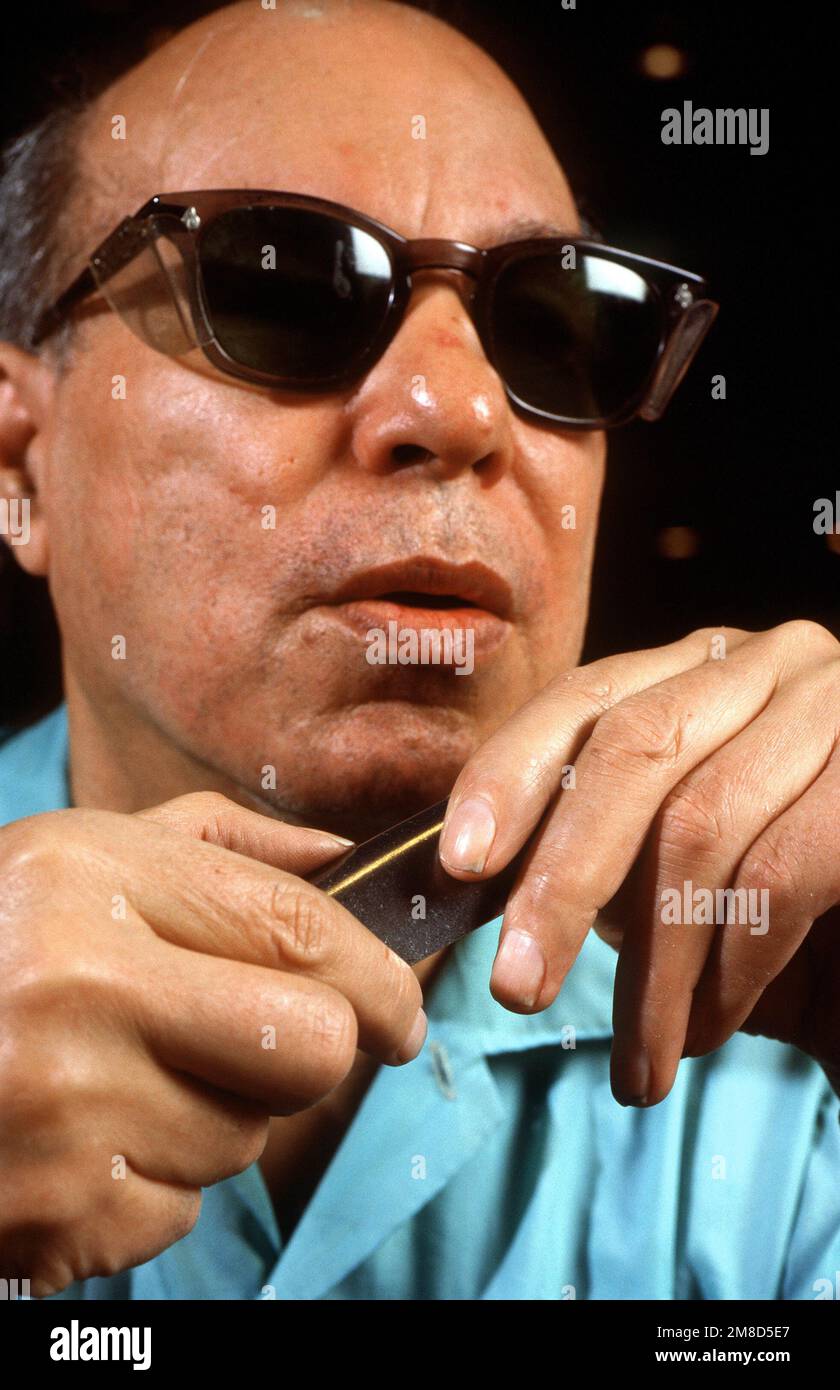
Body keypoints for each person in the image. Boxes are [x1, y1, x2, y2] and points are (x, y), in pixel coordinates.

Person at [0, 0, 837, 1302]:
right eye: (278, 285)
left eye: (554, 324)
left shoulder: (776, 1118)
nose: (461, 412)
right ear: (18, 463)